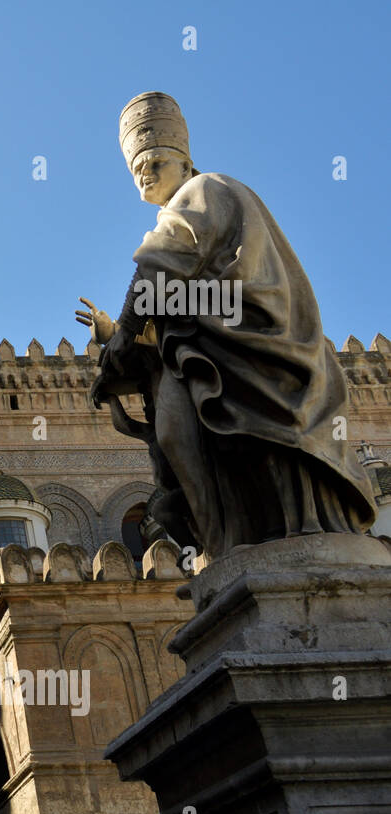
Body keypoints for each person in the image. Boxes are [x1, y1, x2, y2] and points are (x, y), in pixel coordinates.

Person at [76, 91, 376, 559]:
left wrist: (125, 334)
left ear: (185, 160)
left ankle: (227, 547)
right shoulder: (193, 207)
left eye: (155, 161)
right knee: (184, 438)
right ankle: (224, 549)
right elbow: (189, 305)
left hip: (251, 353)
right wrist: (119, 333)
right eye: (138, 169)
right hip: (224, 349)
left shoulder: (205, 190)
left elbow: (157, 270)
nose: (147, 174)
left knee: (192, 437)